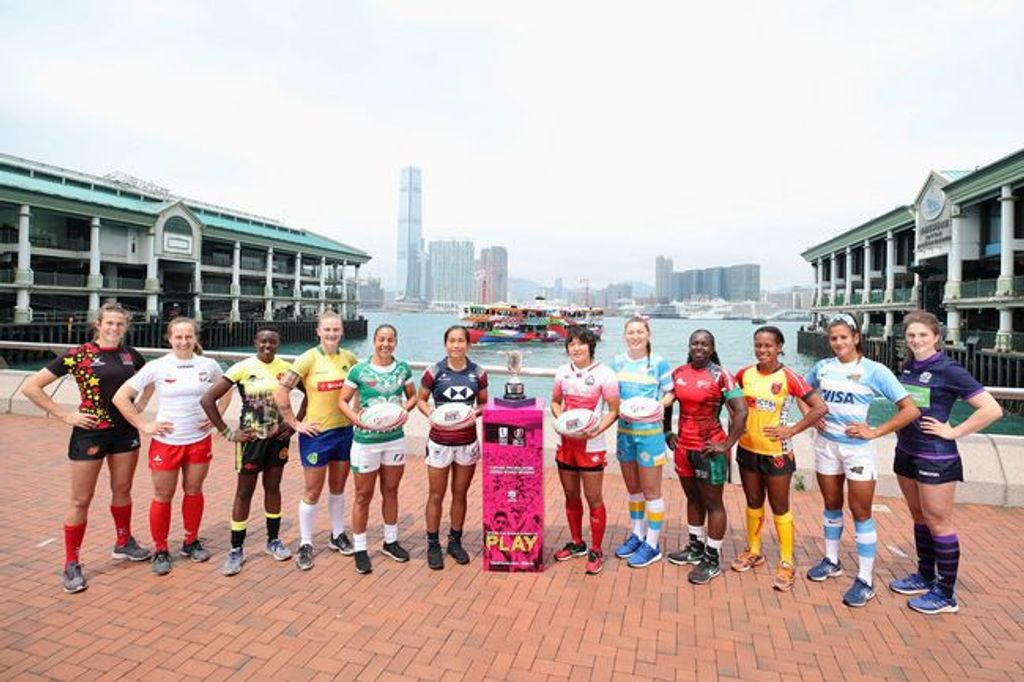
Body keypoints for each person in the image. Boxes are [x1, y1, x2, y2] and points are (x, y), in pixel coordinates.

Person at [21, 303, 152, 593]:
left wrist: (141, 403)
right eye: (110, 323)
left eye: (120, 324)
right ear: (98, 324)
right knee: (81, 499)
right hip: (90, 433)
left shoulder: (131, 355)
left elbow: (151, 379)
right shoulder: (78, 354)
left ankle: (123, 542)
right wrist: (65, 415)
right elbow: (31, 387)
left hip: (125, 432)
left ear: (126, 327)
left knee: (123, 489)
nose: (114, 328)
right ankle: (72, 562)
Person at [889, 310, 1002, 614]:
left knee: (938, 521)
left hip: (935, 456)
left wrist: (953, 432)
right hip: (906, 451)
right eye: (911, 335)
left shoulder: (948, 369)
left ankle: (946, 594)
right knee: (919, 516)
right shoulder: (908, 366)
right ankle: (925, 575)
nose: (916, 340)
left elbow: (991, 409)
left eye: (923, 335)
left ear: (936, 337)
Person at [804, 312, 920, 607]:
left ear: (856, 338)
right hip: (826, 445)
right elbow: (801, 392)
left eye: (844, 337)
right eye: (833, 338)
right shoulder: (823, 367)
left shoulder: (874, 370)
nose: (838, 342)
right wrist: (811, 415)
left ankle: (865, 580)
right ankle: (831, 561)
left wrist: (875, 431)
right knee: (831, 504)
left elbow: (910, 409)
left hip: (857, 450)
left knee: (860, 511)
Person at [113, 317, 224, 576]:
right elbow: (121, 397)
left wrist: (215, 418)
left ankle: (190, 541)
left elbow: (227, 389)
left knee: (194, 490)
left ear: (195, 338)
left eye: (188, 337)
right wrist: (143, 424)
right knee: (163, 495)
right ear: (170, 339)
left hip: (198, 440)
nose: (184, 341)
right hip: (166, 442)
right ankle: (161, 549)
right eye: (178, 337)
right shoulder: (157, 366)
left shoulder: (208, 365)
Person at [732, 326, 827, 590]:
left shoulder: (789, 377)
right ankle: (754, 550)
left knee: (780, 506)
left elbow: (820, 407)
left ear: (779, 347)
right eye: (758, 345)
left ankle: (786, 562)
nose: (762, 350)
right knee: (753, 502)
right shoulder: (744, 374)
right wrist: (735, 426)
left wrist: (792, 430)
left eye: (768, 345)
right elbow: (731, 400)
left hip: (777, 453)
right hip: (747, 448)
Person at [200, 325, 299, 576]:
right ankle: (236, 549)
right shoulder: (242, 368)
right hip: (250, 440)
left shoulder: (286, 369)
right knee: (244, 492)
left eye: (272, 342)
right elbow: (207, 400)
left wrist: (294, 424)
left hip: (277, 439)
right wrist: (227, 432)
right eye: (263, 341)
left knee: (273, 488)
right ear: (256, 342)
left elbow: (309, 394)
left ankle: (273, 540)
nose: (267, 346)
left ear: (278, 344)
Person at [273, 310, 359, 571]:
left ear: (342, 332)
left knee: (338, 487)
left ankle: (337, 534)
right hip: (316, 435)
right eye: (327, 329)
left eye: (336, 329)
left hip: (344, 432)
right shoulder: (308, 358)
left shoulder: (349, 358)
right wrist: (295, 423)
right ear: (318, 331)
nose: (332, 333)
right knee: (312, 491)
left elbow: (360, 386)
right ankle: (306, 542)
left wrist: (356, 414)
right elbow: (281, 390)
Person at [662, 329, 747, 585]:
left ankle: (712, 558)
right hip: (683, 448)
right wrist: (667, 431)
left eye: (704, 344)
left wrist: (727, 444)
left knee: (713, 503)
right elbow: (667, 402)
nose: (699, 347)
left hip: (709, 449)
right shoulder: (678, 373)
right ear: (689, 346)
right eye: (694, 343)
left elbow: (741, 411)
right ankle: (695, 548)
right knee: (692, 498)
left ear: (712, 348)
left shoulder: (721, 375)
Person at [337, 324, 416, 575]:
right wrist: (356, 420)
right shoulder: (359, 370)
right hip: (365, 442)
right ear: (374, 340)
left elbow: (413, 397)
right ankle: (360, 548)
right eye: (381, 339)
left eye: (390, 340)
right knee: (363, 495)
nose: (385, 344)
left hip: (394, 440)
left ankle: (390, 542)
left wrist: (404, 410)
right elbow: (342, 401)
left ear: (396, 342)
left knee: (391, 491)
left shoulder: (403, 369)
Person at [417, 325, 489, 570]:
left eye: (461, 341)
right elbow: (421, 400)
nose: (456, 345)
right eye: (452, 341)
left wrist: (472, 414)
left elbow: (484, 403)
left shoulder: (478, 372)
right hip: (439, 441)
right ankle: (432, 544)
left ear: (468, 344)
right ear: (445, 344)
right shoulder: (434, 371)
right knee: (435, 494)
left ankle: (455, 542)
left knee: (460, 494)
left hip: (467, 442)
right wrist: (431, 414)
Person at [550, 325, 620, 576]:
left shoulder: (605, 374)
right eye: (571, 344)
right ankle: (577, 543)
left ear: (590, 346)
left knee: (594, 498)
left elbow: (614, 409)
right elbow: (555, 402)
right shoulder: (562, 372)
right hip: (566, 443)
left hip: (591, 445)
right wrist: (561, 421)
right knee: (571, 495)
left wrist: (595, 430)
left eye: (580, 343)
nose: (576, 348)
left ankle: (596, 549)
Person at [610, 316, 673, 568]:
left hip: (650, 435)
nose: (635, 336)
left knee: (651, 491)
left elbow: (670, 392)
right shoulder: (617, 361)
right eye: (631, 332)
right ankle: (637, 534)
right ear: (625, 335)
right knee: (633, 489)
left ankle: (653, 544)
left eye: (640, 332)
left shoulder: (658, 362)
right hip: (625, 433)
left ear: (648, 335)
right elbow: (612, 394)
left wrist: (658, 406)